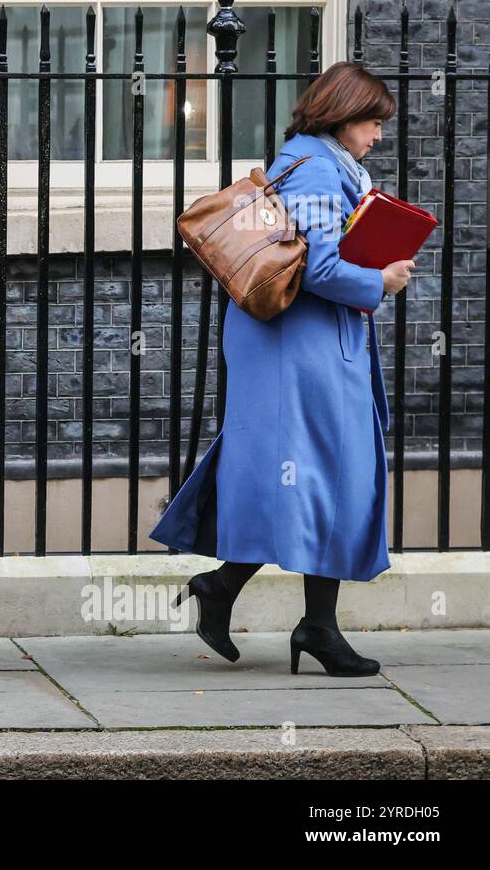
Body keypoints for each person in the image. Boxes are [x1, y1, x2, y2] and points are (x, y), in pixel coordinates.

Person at [151, 61, 415, 677]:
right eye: (373, 123)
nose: (377, 136)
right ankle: (310, 624)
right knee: (326, 476)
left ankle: (245, 598)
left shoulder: (310, 161)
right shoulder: (319, 171)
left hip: (303, 344)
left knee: (312, 477)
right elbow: (320, 268)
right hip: (300, 348)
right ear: (343, 116)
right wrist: (382, 278)